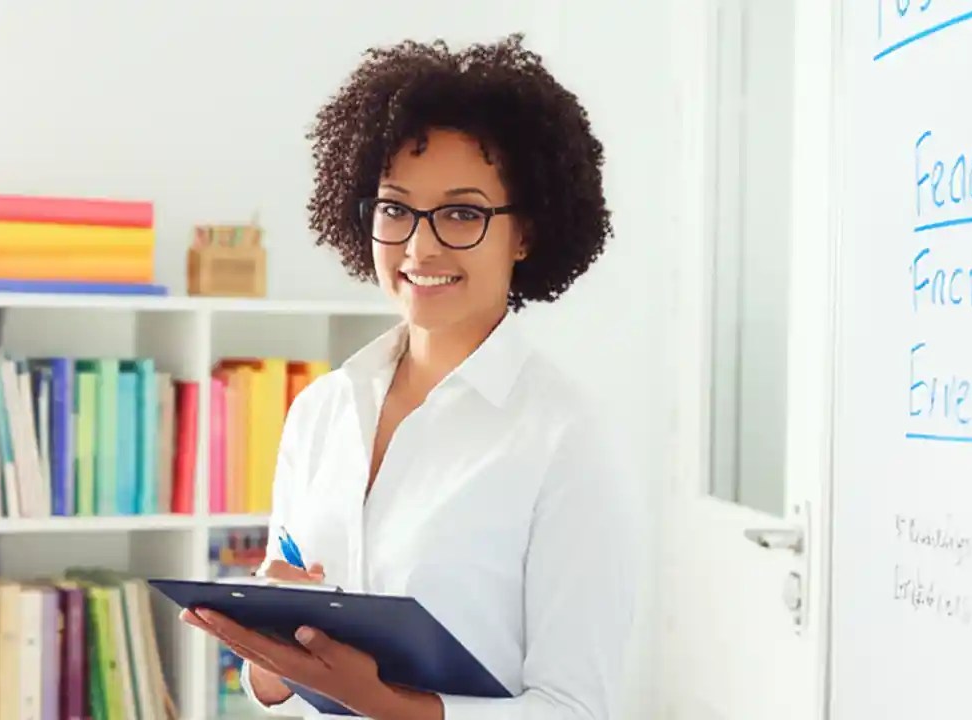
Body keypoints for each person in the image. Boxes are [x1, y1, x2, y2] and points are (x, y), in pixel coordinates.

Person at [181, 33, 642, 719]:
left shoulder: (564, 435)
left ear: (526, 233)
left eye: (462, 213)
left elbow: (574, 708)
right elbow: (273, 688)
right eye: (396, 208)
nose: (421, 246)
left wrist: (386, 704)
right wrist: (268, 656)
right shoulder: (321, 410)